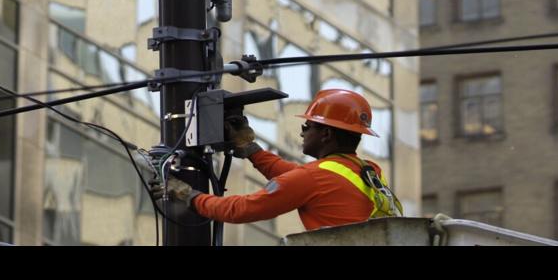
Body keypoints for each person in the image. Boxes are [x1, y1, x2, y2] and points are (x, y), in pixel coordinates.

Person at [159, 89, 402, 230]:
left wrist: (189, 195)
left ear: (326, 134)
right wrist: (251, 149)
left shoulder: (313, 179)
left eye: (308, 126)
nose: (302, 132)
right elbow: (295, 176)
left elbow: (241, 209)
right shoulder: (368, 171)